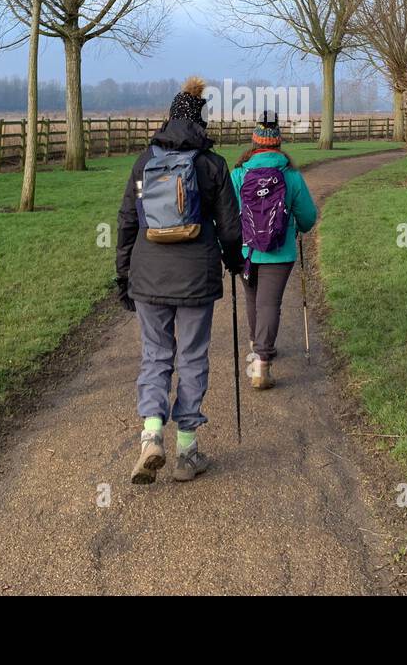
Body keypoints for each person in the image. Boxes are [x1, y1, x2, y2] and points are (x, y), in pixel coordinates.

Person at [116, 77, 242, 484]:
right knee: (191, 357)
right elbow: (229, 227)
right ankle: (187, 451)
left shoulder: (143, 162)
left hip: (148, 274)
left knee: (155, 355)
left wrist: (123, 275)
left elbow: (127, 221)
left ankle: (151, 435)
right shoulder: (212, 164)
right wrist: (235, 263)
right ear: (200, 121)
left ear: (169, 118)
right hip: (195, 280)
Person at [229, 113, 318, 390]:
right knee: (269, 303)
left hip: (246, 251)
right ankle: (262, 363)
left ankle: (259, 349)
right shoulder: (290, 176)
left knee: (253, 300)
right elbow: (308, 217)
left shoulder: (239, 174)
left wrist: (227, 247)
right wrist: (298, 226)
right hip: (280, 253)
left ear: (254, 143)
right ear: (278, 144)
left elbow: (227, 216)